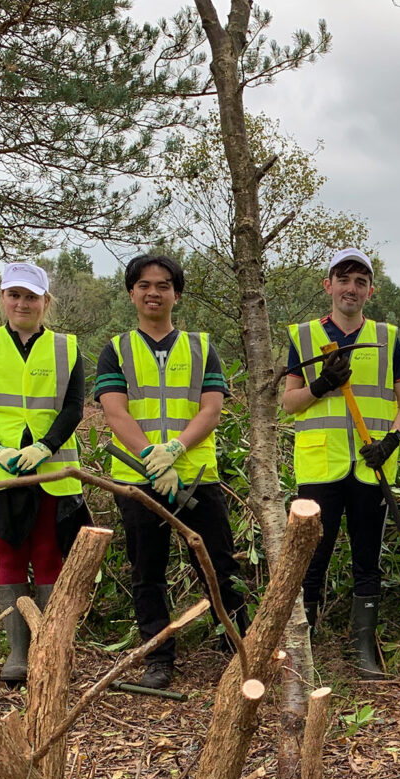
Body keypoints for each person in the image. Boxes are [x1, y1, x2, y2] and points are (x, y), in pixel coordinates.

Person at [95, 254, 249, 690]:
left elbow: (212, 409)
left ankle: (239, 649)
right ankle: (157, 660)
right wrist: (151, 457)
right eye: (144, 285)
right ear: (131, 293)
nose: (153, 292)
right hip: (139, 480)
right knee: (147, 571)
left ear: (176, 295)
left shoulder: (201, 347)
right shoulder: (117, 349)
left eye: (163, 285)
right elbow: (115, 412)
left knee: (219, 565)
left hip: (198, 477)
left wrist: (176, 448)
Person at [281, 248, 400, 679]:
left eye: (360, 281)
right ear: (329, 286)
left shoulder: (388, 336)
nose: (351, 288)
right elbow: (289, 403)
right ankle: (305, 649)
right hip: (320, 467)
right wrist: (322, 383)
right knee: (312, 558)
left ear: (370, 291)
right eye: (344, 279)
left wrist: (392, 440)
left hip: (370, 466)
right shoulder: (304, 337)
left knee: (366, 558)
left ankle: (364, 648)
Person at [0, 261, 92, 685]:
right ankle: (18, 654)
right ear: (2, 299)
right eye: (14, 295)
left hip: (50, 470)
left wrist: (44, 446)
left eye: (31, 296)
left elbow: (73, 407)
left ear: (45, 302)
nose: (22, 303)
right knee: (9, 556)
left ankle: (49, 651)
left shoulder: (66, 347)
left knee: (48, 555)